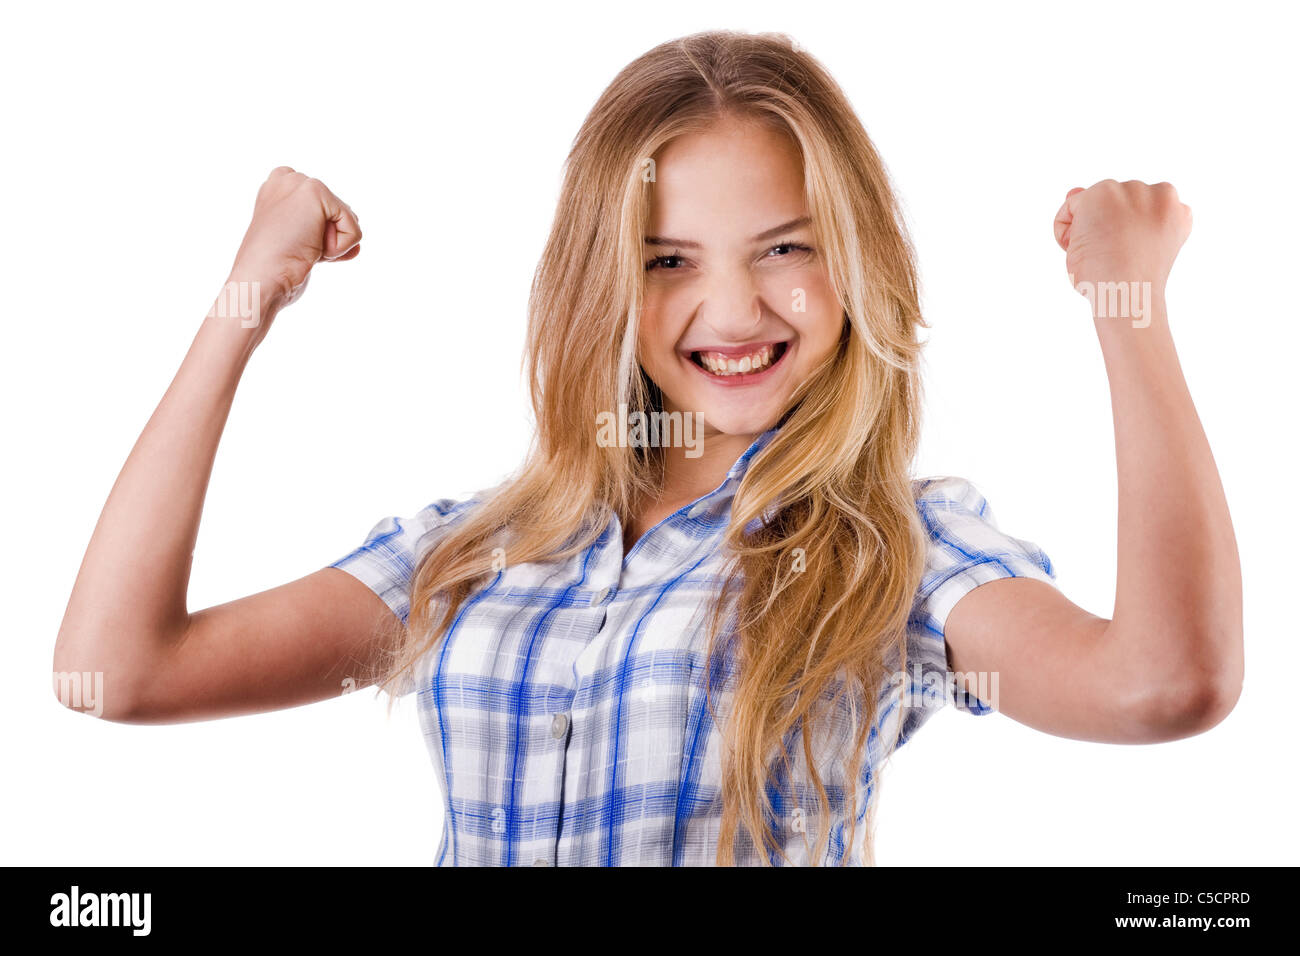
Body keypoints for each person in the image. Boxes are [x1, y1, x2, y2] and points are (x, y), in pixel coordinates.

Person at [53, 29, 1243, 866]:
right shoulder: (475, 548)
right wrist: (245, 301)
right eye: (667, 260)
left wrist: (1123, 300)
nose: (732, 314)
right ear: (601, 283)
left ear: (858, 261)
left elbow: (1161, 686)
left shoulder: (893, 553)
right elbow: (116, 671)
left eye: (786, 248)